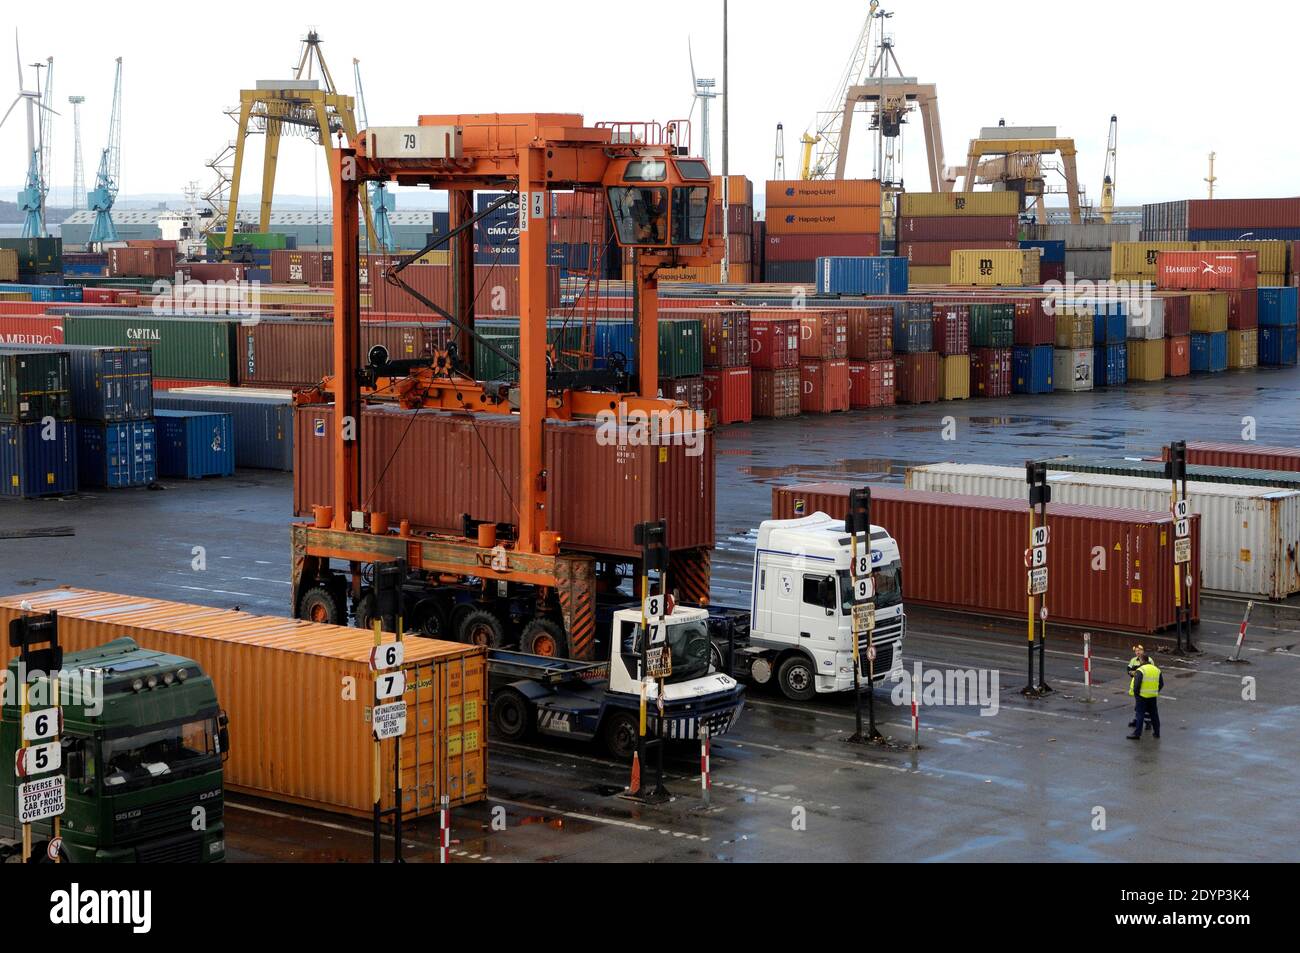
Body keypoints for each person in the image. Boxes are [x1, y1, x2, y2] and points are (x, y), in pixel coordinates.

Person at [1127, 656, 1163, 740]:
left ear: (1141, 661)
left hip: (1142, 696)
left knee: (1140, 714)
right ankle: (1157, 733)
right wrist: (1155, 691)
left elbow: (1137, 684)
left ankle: (1137, 734)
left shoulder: (1141, 670)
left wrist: (1137, 694)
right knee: (1154, 715)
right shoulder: (1157, 670)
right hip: (1152, 696)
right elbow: (1161, 684)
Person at [1127, 645, 1153, 731]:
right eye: (1136, 651)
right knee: (1138, 706)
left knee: (1147, 707)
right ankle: (1137, 720)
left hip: (1146, 686)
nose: (1137, 652)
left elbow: (1151, 671)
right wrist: (1132, 673)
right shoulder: (1133, 660)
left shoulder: (1149, 660)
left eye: (1139, 650)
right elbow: (1128, 670)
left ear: (1143, 651)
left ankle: (1148, 722)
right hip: (1137, 685)